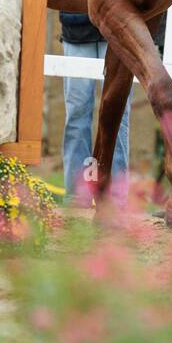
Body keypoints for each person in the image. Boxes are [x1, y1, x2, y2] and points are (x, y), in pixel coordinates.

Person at [60, 11, 132, 205]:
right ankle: (77, 194)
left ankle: (115, 196)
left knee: (119, 115)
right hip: (76, 29)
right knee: (77, 113)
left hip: (119, 29)